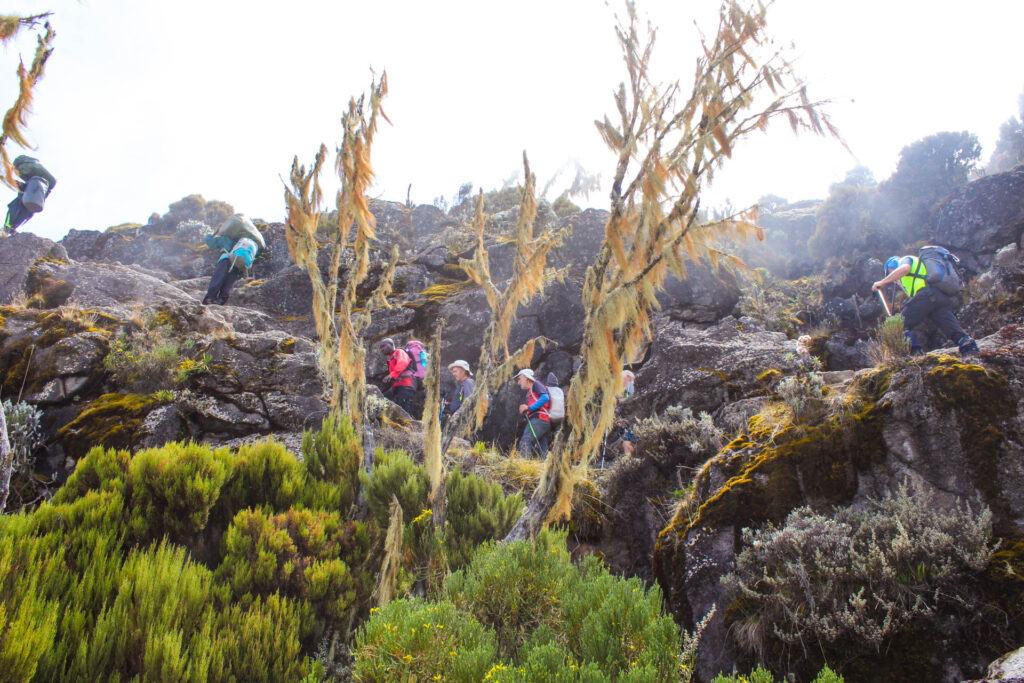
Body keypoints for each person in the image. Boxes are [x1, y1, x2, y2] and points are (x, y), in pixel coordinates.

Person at [872, 254, 979, 356]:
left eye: (889, 272)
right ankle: (969, 347)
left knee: (899, 325)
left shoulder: (905, 260)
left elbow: (904, 269)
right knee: (950, 327)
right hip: (938, 296)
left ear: (892, 265)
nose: (891, 276)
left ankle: (915, 354)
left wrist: (882, 282)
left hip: (926, 295)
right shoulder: (915, 271)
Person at [3, 155, 56, 236]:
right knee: (23, 208)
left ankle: (8, 228)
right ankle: (8, 228)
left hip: (33, 194)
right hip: (36, 194)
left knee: (20, 207)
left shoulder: (31, 192)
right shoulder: (37, 192)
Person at [202, 232, 258, 305]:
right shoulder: (243, 242)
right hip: (239, 262)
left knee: (218, 278)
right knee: (229, 282)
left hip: (226, 259)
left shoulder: (226, 238)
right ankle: (221, 300)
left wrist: (212, 234)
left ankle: (210, 298)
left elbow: (211, 242)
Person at [515, 368, 551, 457]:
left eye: (519, 379)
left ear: (526, 378)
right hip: (544, 420)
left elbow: (545, 398)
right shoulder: (532, 390)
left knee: (525, 440)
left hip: (539, 419)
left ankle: (523, 464)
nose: (518, 383)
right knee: (542, 445)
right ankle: (545, 466)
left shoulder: (536, 385)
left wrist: (529, 408)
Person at [380, 338, 415, 415]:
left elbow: (403, 362)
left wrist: (391, 375)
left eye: (384, 346)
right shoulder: (392, 358)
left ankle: (412, 426)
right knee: (385, 398)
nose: (382, 349)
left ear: (392, 345)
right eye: (381, 348)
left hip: (406, 385)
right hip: (398, 386)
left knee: (405, 408)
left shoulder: (399, 352)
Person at [608, 369, 636, 457]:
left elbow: (630, 398)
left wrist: (617, 401)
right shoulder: (627, 388)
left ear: (628, 377)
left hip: (633, 419)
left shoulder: (631, 385)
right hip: (627, 419)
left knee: (627, 441)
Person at [441, 360, 474, 425]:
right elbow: (461, 400)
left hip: (463, 422)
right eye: (453, 372)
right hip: (459, 420)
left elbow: (469, 402)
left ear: (464, 371)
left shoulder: (467, 383)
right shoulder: (462, 384)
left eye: (455, 371)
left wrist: (457, 413)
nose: (453, 374)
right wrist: (450, 404)